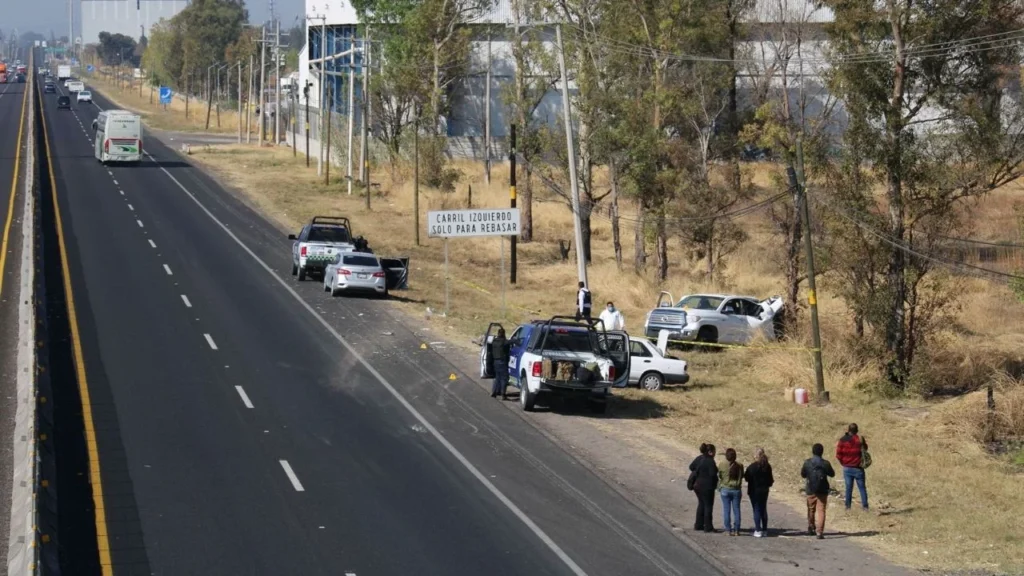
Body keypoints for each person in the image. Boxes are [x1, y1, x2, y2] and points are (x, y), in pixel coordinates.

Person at [800, 443, 836, 539]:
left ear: (813, 451)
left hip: (810, 489)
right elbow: (832, 474)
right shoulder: (825, 463)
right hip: (822, 489)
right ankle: (819, 532)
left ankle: (811, 527)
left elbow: (803, 474)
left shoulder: (807, 462)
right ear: (822, 452)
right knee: (821, 510)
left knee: (811, 509)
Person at [836, 423, 869, 510]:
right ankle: (865, 507)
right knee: (862, 488)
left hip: (847, 468)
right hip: (858, 468)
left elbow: (838, 455)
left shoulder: (842, 440)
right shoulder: (859, 439)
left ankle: (848, 507)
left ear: (848, 430)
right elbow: (865, 449)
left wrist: (843, 463)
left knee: (848, 488)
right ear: (857, 430)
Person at [744, 447, 774, 538]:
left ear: (756, 456)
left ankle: (758, 529)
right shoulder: (767, 466)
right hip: (764, 490)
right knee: (763, 509)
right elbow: (770, 480)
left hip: (754, 491)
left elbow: (746, 477)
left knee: (756, 509)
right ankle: (765, 529)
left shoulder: (752, 467)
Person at [689, 443, 719, 533]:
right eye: (714, 452)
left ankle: (698, 524)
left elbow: (691, 467)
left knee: (701, 504)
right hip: (707, 487)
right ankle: (708, 526)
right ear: (710, 452)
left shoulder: (700, 458)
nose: (715, 453)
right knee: (708, 506)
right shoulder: (710, 461)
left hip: (697, 485)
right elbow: (713, 474)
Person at [718, 448, 744, 536]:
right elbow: (742, 475)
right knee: (737, 510)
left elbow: (720, 475)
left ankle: (728, 530)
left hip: (725, 489)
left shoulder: (722, 464)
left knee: (726, 510)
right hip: (736, 490)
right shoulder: (740, 465)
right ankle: (737, 530)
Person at [490, 328, 511, 400]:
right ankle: (503, 394)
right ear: (503, 334)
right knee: (504, 378)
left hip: (495, 362)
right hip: (502, 362)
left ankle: (493, 392)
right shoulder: (504, 342)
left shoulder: (494, 341)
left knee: (497, 377)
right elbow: (511, 342)